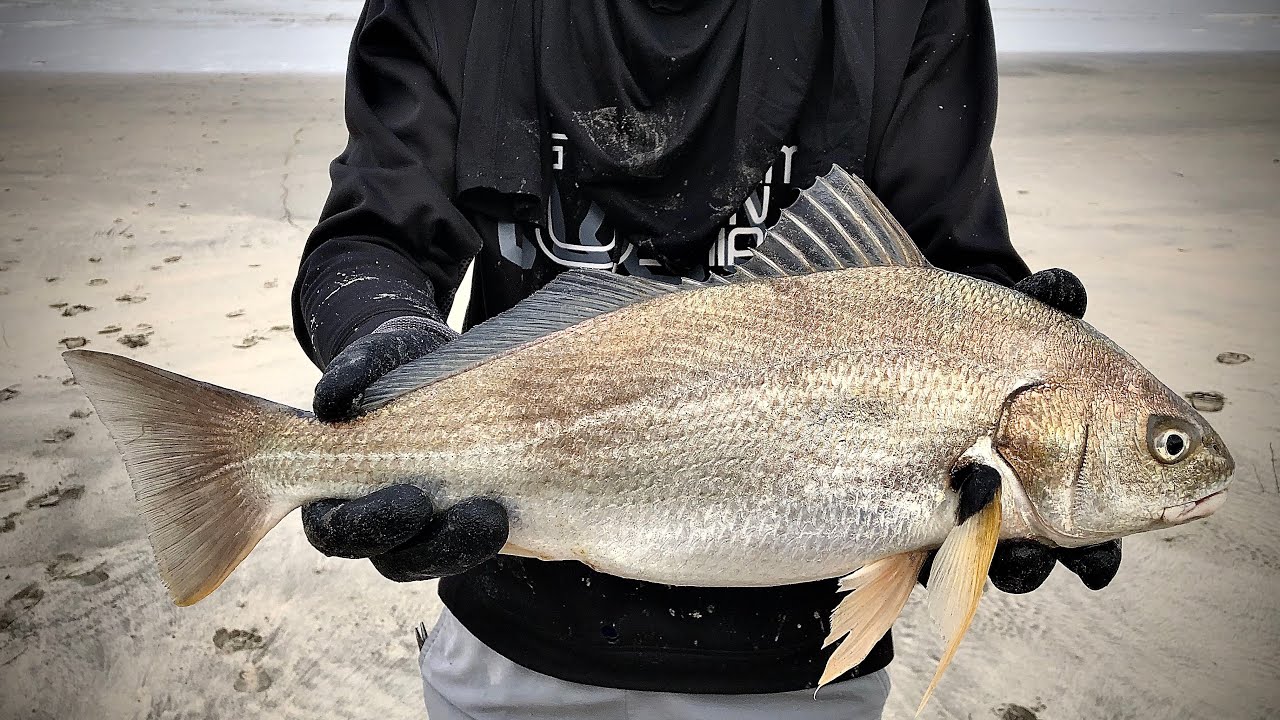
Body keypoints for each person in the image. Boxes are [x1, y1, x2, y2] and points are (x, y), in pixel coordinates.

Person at [290, 1, 1123, 717]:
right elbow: (373, 232)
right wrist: (381, 335)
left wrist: (1006, 356)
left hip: (810, 676)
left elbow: (947, 266)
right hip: (508, 639)